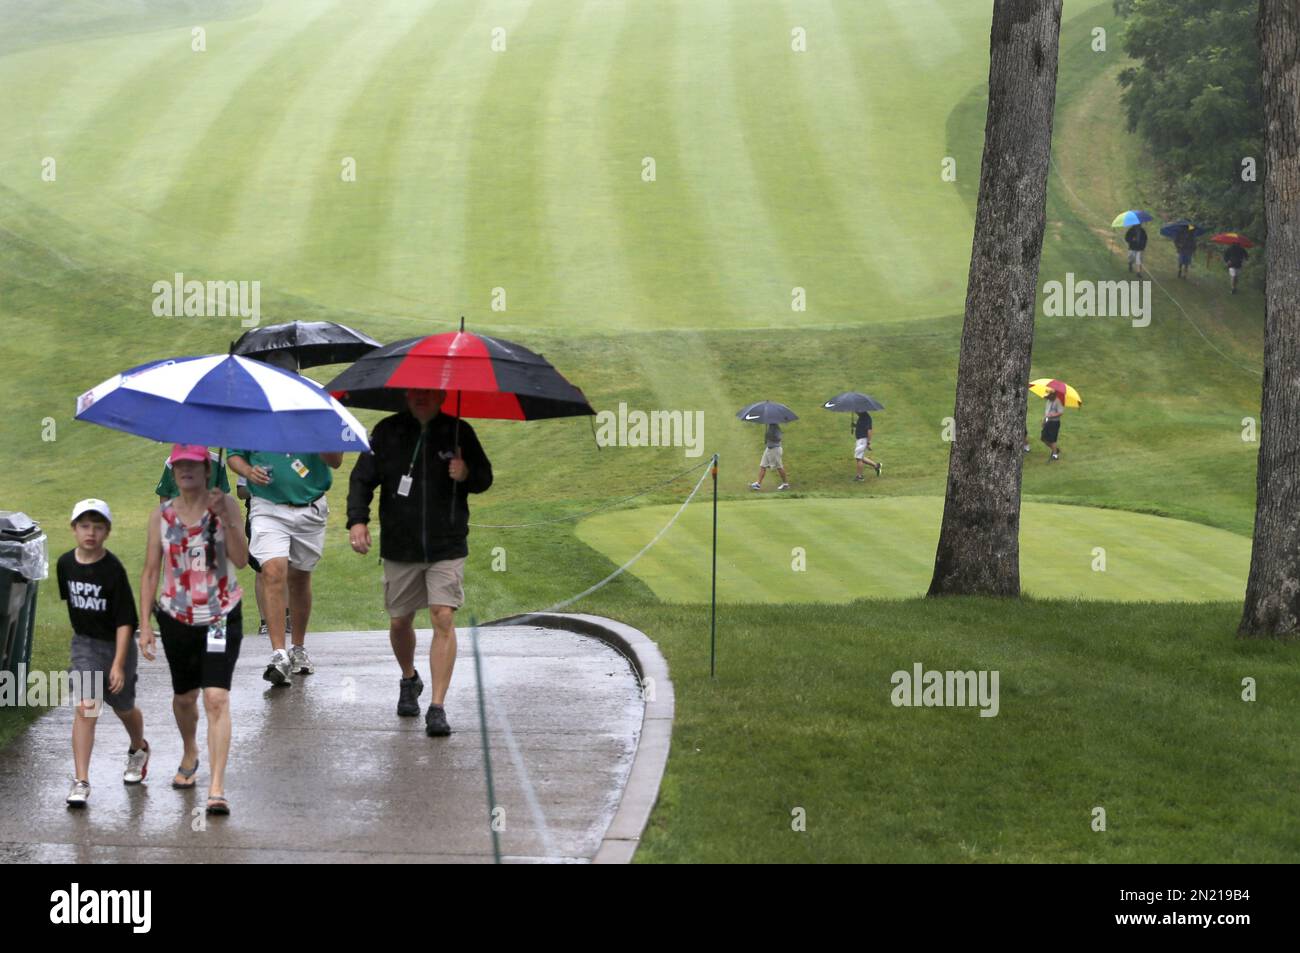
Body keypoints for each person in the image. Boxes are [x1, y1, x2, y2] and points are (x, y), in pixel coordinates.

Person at [346, 388, 493, 736]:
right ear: (406, 396)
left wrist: (466, 472)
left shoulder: (459, 432)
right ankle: (409, 678)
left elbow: (485, 478)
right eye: (415, 393)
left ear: (442, 396)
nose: (421, 398)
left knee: (443, 616)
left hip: (447, 544)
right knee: (400, 621)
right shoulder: (386, 431)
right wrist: (357, 519)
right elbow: (362, 478)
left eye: (429, 393)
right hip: (401, 545)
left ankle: (437, 707)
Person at [138, 445, 249, 815]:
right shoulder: (161, 516)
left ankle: (216, 787)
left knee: (216, 697)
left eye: (193, 464)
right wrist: (144, 626)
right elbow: (151, 570)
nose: (185, 470)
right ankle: (190, 750)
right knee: (185, 698)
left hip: (219, 616)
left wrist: (226, 518)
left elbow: (242, 560)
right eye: (179, 464)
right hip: (176, 618)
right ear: (173, 471)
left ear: (206, 469)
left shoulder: (225, 507)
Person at [58, 499, 148, 807]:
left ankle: (138, 748)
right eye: (84, 526)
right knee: (87, 706)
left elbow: (125, 621)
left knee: (123, 707)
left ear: (107, 532)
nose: (91, 533)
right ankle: (81, 780)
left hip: (117, 646)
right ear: (73, 529)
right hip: (84, 644)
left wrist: (119, 665)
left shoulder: (113, 570)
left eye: (98, 527)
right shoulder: (65, 564)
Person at [227, 446, 342, 685]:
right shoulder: (255, 415)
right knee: (272, 571)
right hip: (267, 507)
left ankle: (297, 648)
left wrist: (319, 437)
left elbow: (336, 461)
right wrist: (248, 471)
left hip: (310, 505)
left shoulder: (317, 413)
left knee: (300, 578)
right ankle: (278, 653)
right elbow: (234, 456)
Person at [155, 448, 229, 506]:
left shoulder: (218, 462)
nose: (186, 469)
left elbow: (224, 493)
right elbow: (164, 494)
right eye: (180, 466)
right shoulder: (171, 462)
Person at [750, 423, 790, 491]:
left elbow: (778, 438)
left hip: (775, 449)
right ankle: (758, 484)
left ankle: (785, 484)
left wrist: (769, 436)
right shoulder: (770, 426)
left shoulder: (776, 428)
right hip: (769, 448)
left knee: (779, 467)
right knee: (763, 465)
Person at [852, 412, 882, 480]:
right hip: (860, 440)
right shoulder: (862, 416)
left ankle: (859, 477)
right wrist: (855, 426)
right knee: (861, 457)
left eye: (857, 410)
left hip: (862, 440)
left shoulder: (867, 418)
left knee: (858, 459)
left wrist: (868, 443)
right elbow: (862, 426)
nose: (855, 411)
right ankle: (876, 466)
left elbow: (869, 431)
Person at [1041, 392, 1064, 461]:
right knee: (1043, 438)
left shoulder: (1058, 401)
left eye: (1048, 396)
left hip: (1054, 423)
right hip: (1048, 421)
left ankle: (1055, 455)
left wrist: (1052, 415)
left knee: (1052, 439)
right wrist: (1044, 420)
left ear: (1052, 395)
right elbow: (1047, 412)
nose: (1046, 397)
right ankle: (1056, 450)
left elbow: (1060, 412)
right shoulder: (1048, 401)